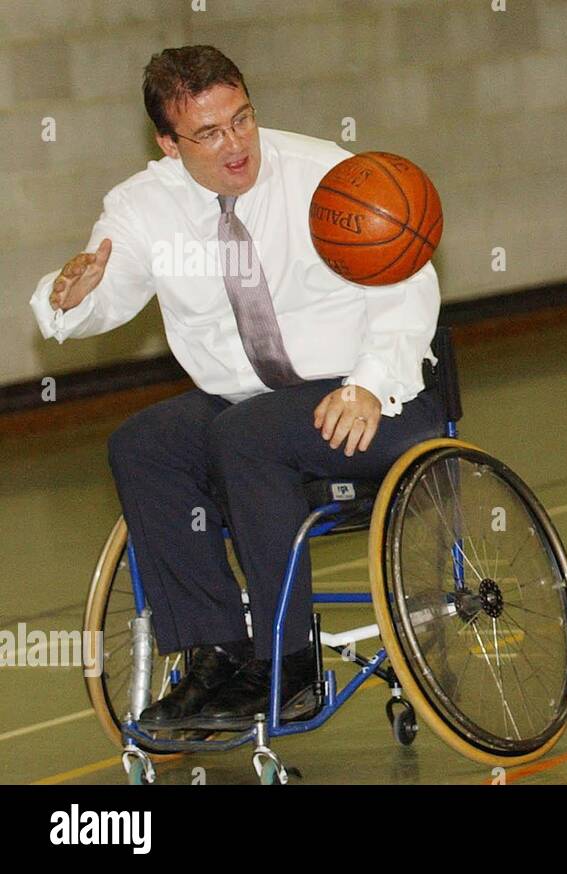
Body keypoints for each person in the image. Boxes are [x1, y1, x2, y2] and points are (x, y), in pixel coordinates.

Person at [29, 46, 444, 729]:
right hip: (249, 404)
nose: (235, 144)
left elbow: (406, 284)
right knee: (144, 444)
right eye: (209, 133)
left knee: (244, 436)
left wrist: (370, 384)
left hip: (372, 397)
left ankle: (290, 664)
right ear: (168, 142)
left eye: (243, 119)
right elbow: (105, 292)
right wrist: (71, 297)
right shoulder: (142, 208)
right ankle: (215, 653)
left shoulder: (328, 176)